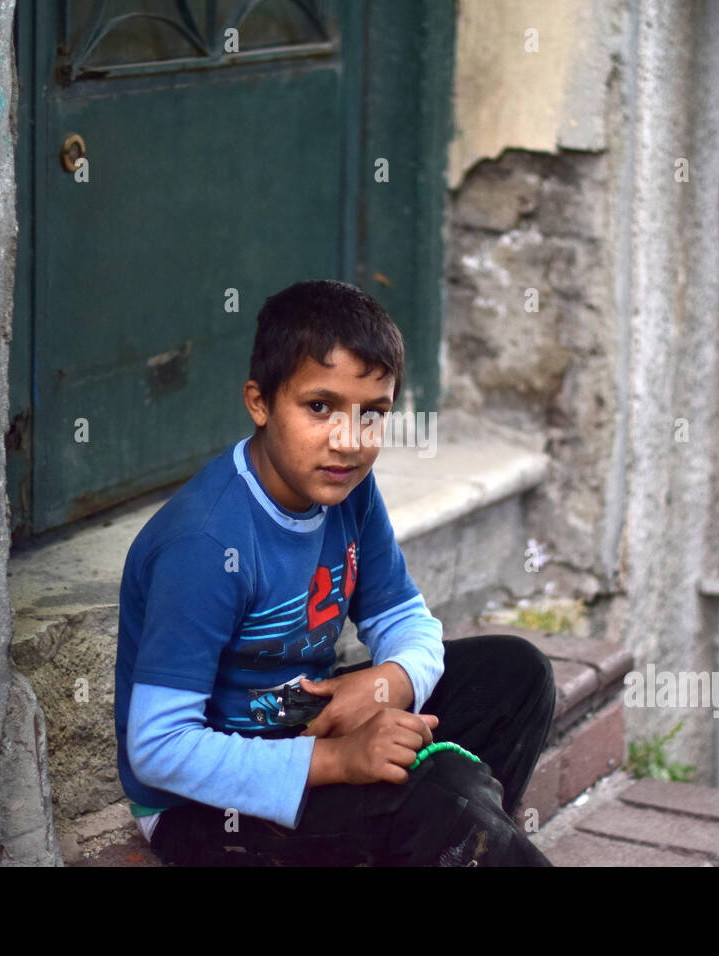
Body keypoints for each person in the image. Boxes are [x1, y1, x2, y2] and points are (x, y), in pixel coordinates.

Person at [114, 279, 555, 866]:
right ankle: (460, 833)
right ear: (260, 403)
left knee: (516, 675)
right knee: (442, 791)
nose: (348, 442)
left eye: (372, 413)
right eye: (319, 407)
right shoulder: (206, 542)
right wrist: (339, 761)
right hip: (205, 806)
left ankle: (463, 839)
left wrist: (389, 681)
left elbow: (405, 618)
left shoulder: (348, 491)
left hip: (299, 722)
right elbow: (158, 749)